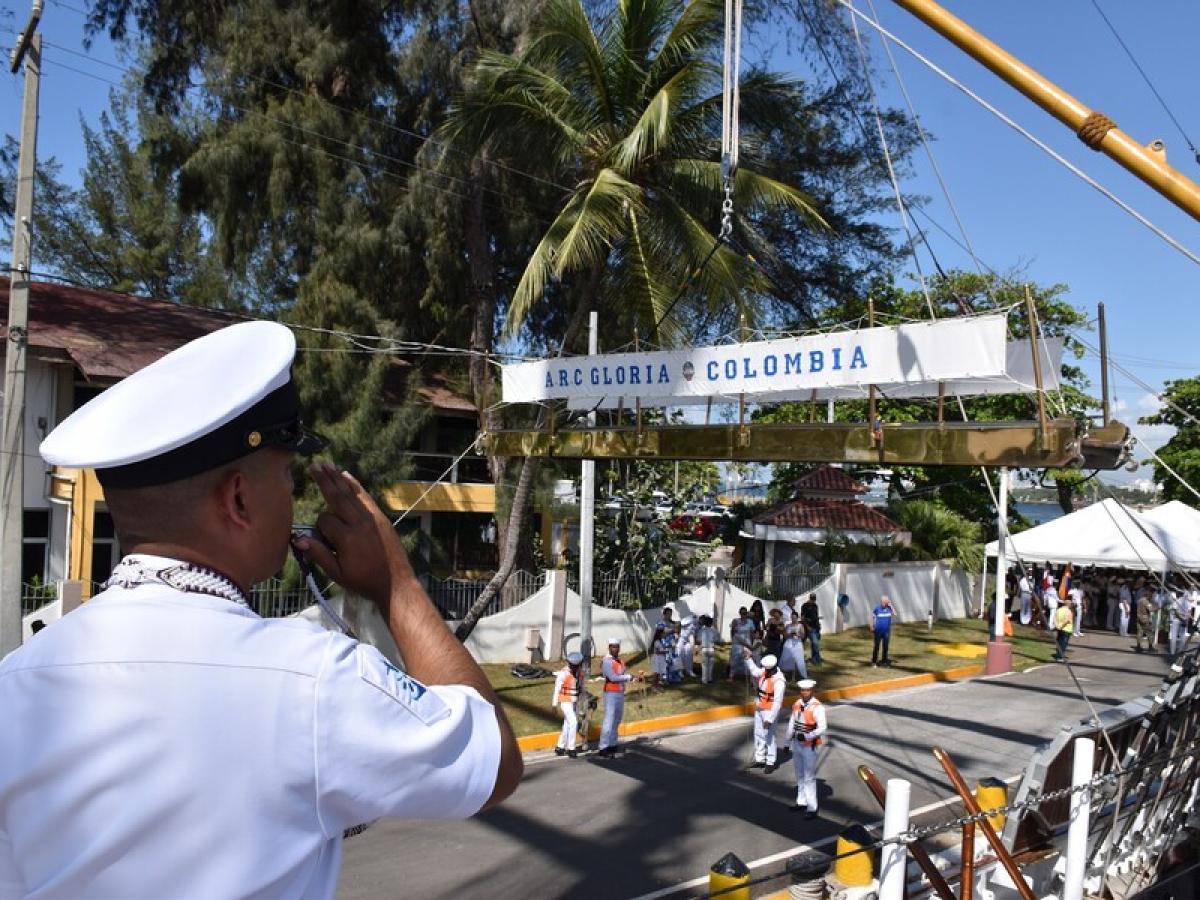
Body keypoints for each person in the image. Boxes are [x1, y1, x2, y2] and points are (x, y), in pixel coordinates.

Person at [0, 321, 522, 899]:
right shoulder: (314, 681)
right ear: (240, 498)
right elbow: (495, 761)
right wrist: (395, 584)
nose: (293, 496)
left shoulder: (14, 684)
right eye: (286, 474)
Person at [788, 678, 827, 819]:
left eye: (807, 690)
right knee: (799, 774)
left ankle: (812, 807)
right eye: (803, 690)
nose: (805, 692)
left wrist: (807, 736)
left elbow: (822, 727)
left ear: (812, 691)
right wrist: (787, 742)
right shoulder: (797, 704)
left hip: (809, 746)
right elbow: (792, 722)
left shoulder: (818, 707)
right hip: (797, 744)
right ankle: (801, 801)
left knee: (809, 777)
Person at [743, 651, 786, 773]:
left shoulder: (779, 681)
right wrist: (748, 659)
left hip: (769, 711)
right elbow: (755, 671)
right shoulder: (765, 672)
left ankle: (770, 762)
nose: (764, 671)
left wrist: (770, 719)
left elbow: (777, 702)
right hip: (760, 707)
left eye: (767, 670)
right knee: (758, 733)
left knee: (769, 736)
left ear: (773, 668)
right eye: (765, 669)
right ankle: (760, 759)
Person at [598, 638, 640, 757]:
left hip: (620, 692)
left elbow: (623, 675)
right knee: (609, 719)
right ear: (609, 648)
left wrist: (634, 678)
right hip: (610, 693)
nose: (615, 649)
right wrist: (628, 677)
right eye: (613, 647)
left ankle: (612, 744)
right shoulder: (607, 661)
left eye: (617, 647)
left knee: (617, 719)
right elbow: (613, 677)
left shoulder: (621, 661)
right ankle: (603, 747)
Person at [552, 652, 586, 757]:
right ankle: (571, 748)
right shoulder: (563, 673)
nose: (574, 667)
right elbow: (557, 689)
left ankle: (560, 747)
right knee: (574, 723)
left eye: (576, 665)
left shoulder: (581, 673)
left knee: (567, 724)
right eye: (572, 665)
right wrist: (554, 704)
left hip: (574, 700)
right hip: (565, 700)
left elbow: (581, 687)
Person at [728, 607, 756, 682]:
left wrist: (752, 643)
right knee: (735, 659)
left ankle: (748, 677)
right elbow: (732, 631)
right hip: (737, 643)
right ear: (739, 613)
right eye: (742, 613)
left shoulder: (750, 622)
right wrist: (732, 640)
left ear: (746, 614)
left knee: (748, 659)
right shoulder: (735, 621)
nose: (743, 614)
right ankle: (731, 676)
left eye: (745, 613)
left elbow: (752, 633)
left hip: (747, 642)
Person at [780, 612, 808, 682]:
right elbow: (785, 636)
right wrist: (789, 635)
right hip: (789, 643)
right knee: (786, 658)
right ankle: (788, 674)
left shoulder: (800, 625)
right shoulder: (788, 626)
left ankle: (802, 675)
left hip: (797, 643)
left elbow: (803, 636)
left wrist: (798, 635)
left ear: (797, 618)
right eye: (792, 618)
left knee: (799, 659)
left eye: (795, 618)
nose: (793, 619)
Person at [870, 595, 895, 667]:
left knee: (885, 647)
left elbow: (895, 614)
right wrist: (871, 626)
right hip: (878, 631)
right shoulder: (877, 609)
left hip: (886, 632)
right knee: (876, 646)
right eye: (884, 602)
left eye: (886, 602)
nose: (885, 604)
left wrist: (891, 605)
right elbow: (872, 616)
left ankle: (884, 661)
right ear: (881, 602)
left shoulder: (889, 608)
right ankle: (874, 661)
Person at [1169, 588, 1193, 658]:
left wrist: (1182, 618)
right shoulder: (1188, 602)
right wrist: (1186, 619)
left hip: (1177, 620)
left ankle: (1172, 652)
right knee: (1182, 636)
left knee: (1174, 636)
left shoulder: (1176, 601)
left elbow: (1176, 612)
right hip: (1184, 619)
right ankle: (1180, 651)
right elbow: (1189, 612)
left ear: (1178, 594)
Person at [801, 593, 822, 664]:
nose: (813, 601)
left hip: (816, 627)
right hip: (810, 627)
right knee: (815, 643)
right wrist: (807, 626)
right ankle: (818, 659)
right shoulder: (805, 606)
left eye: (814, 599)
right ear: (809, 598)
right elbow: (803, 618)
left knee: (814, 644)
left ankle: (814, 659)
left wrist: (819, 624)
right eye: (812, 599)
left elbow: (816, 616)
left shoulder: (815, 606)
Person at [698, 615, 719, 683]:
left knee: (704, 665)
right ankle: (710, 678)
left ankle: (704, 679)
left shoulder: (701, 630)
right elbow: (716, 639)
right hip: (711, 649)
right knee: (710, 665)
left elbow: (698, 639)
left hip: (704, 649)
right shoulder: (714, 630)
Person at [1134, 588, 1156, 653]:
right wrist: (1158, 608)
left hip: (1139, 618)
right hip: (1145, 619)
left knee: (1139, 633)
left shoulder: (1139, 600)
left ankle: (1138, 646)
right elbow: (1151, 609)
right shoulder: (1146, 601)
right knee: (1149, 633)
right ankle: (1150, 646)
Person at [1054, 597, 1075, 662]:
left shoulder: (1058, 610)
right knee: (1063, 644)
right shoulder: (1068, 611)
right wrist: (1061, 626)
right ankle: (1060, 657)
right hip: (1066, 629)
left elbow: (1054, 619)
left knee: (1059, 642)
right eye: (1070, 604)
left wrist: (1057, 625)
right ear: (1068, 604)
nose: (1071, 605)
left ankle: (1058, 655)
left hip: (1059, 628)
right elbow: (1067, 620)